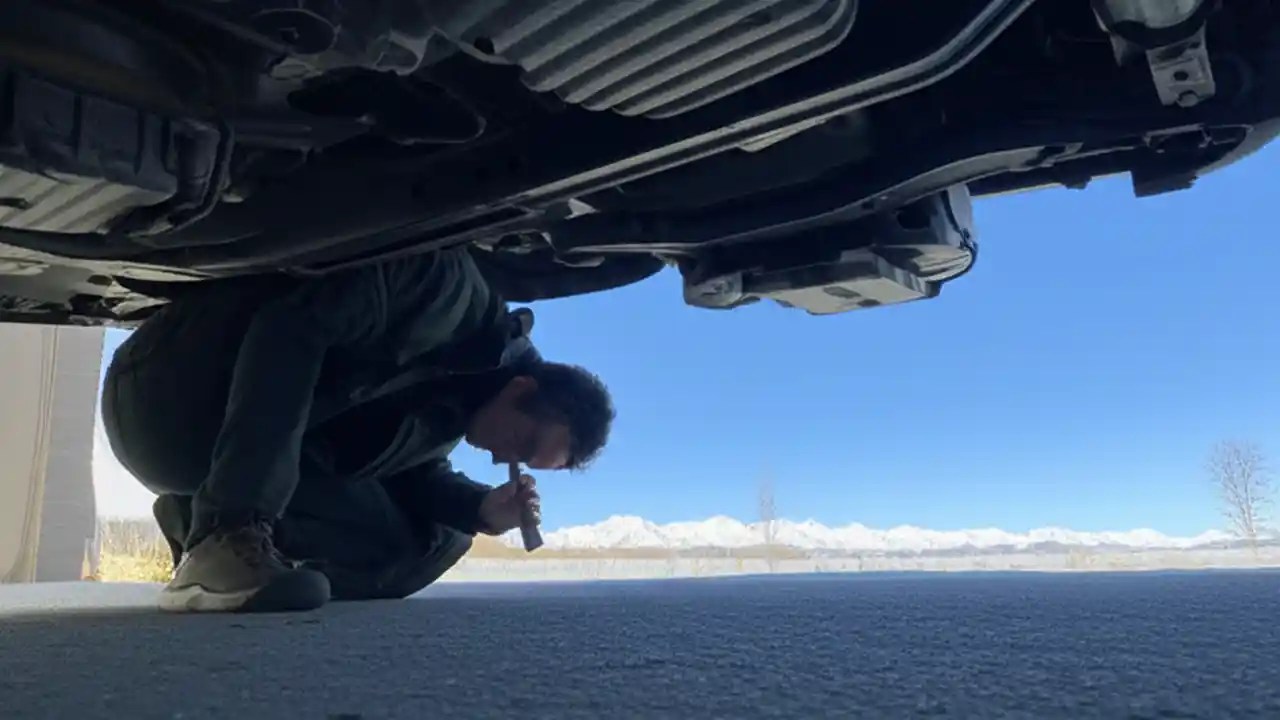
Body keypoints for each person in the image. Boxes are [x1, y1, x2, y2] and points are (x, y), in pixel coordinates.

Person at [100, 247, 614, 613]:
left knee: (434, 541)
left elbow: (409, 473)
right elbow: (292, 327)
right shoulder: (444, 291)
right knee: (298, 336)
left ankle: (209, 544)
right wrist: (235, 514)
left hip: (203, 460)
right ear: (521, 389)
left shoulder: (458, 413)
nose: (508, 459)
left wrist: (481, 508)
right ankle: (221, 536)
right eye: (524, 443)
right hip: (167, 391)